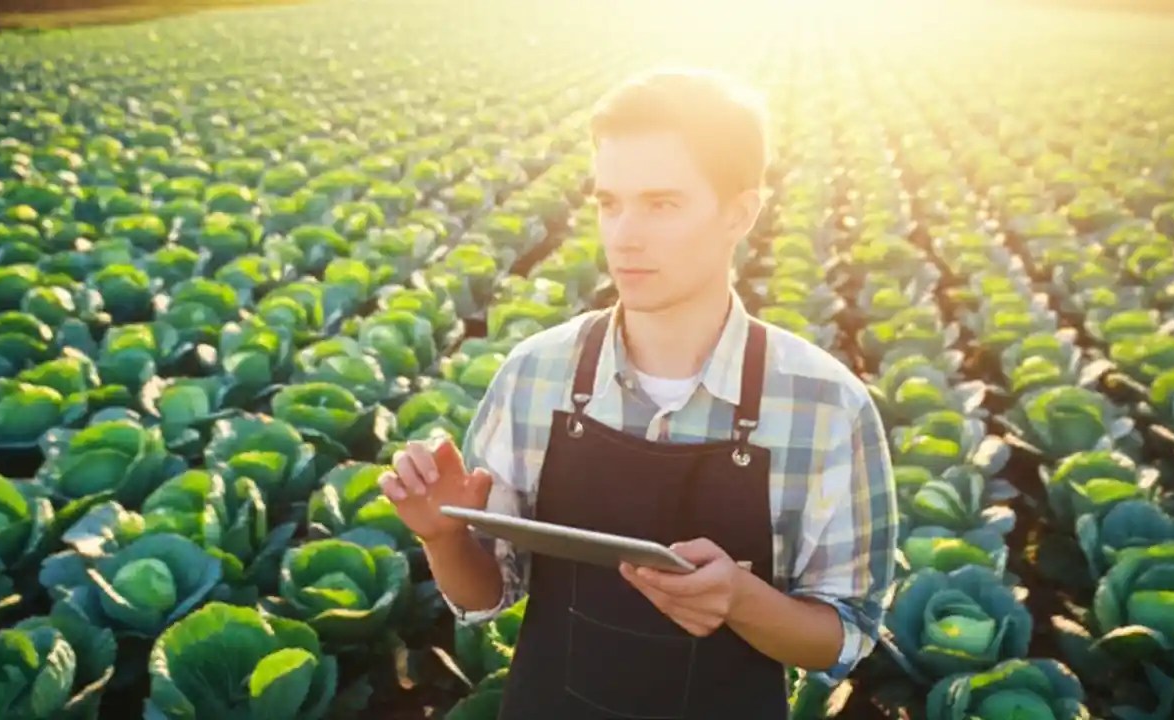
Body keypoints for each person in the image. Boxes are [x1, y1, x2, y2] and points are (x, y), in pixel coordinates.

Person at [379, 67, 898, 719]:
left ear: (740, 213)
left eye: (662, 204)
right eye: (609, 202)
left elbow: (842, 638)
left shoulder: (827, 406)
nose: (625, 234)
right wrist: (443, 538)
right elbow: (490, 595)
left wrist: (741, 599)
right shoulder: (535, 374)